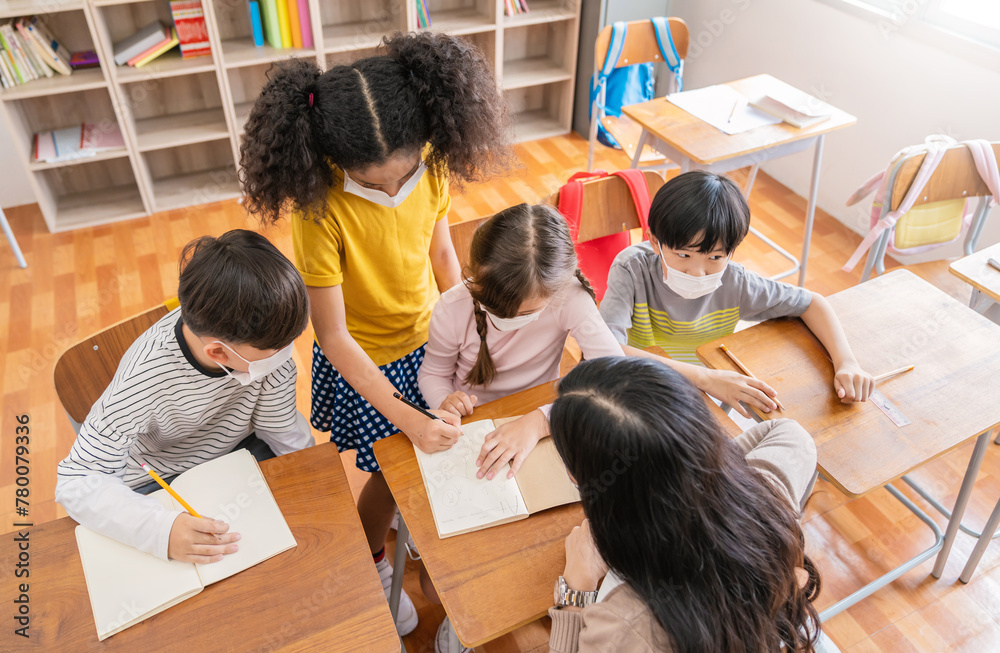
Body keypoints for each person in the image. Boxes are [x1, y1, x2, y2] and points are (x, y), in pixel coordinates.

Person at [238, 31, 513, 636]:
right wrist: (407, 417)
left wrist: (468, 330)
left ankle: (427, 536)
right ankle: (375, 558)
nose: (395, 191)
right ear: (336, 163)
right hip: (368, 362)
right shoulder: (321, 210)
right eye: (375, 181)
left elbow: (442, 255)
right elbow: (333, 337)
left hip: (429, 341)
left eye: (405, 175)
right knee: (390, 473)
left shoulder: (433, 166)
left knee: (445, 447)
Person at [56, 230, 313, 564]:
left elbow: (279, 426)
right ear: (218, 352)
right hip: (160, 480)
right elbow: (75, 481)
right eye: (274, 351)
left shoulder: (268, 342)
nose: (285, 356)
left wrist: (312, 474)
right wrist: (160, 530)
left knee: (299, 548)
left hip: (242, 455)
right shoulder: (144, 376)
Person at [546, 357, 825, 652]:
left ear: (580, 478)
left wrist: (577, 586)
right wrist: (701, 469)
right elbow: (791, 434)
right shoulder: (768, 495)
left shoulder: (626, 625)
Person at [600, 171, 875, 410]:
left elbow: (812, 303)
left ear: (732, 251)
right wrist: (704, 378)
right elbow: (604, 351)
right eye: (683, 256)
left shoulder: (736, 282)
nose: (698, 272)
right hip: (640, 384)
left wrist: (847, 362)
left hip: (708, 393)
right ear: (654, 242)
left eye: (715, 258)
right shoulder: (631, 269)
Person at [418, 203, 623, 483]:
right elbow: (433, 373)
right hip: (472, 423)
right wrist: (445, 401)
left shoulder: (569, 297)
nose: (508, 319)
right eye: (492, 306)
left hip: (541, 412)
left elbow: (617, 377)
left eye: (526, 313)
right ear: (476, 278)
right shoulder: (452, 306)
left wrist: (540, 421)